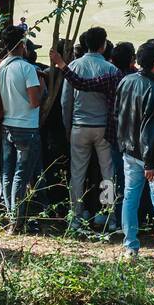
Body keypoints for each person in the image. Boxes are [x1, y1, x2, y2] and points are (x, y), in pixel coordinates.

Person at [54, 26, 119, 229]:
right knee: (108, 172)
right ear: (103, 44)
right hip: (103, 127)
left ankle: (76, 215)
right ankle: (108, 215)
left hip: (79, 126)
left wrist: (67, 127)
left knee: (77, 173)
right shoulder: (111, 69)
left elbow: (66, 102)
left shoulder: (73, 66)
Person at [115, 40, 154, 260]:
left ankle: (130, 245)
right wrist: (149, 163)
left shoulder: (126, 81)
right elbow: (151, 129)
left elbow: (118, 115)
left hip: (130, 151)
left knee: (130, 197)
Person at [0, 25, 46, 232]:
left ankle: (10, 214)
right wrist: (42, 84)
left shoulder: (1, 66)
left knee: (8, 173)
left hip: (8, 124)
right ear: (22, 45)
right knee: (21, 174)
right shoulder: (27, 68)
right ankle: (16, 219)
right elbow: (35, 101)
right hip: (26, 126)